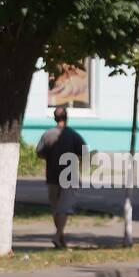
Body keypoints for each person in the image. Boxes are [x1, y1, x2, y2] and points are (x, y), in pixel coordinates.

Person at [35, 105, 87, 249]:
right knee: (63, 209)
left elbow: (39, 152)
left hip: (52, 176)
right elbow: (84, 152)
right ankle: (58, 236)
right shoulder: (73, 135)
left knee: (56, 208)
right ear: (67, 118)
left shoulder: (47, 134)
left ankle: (60, 237)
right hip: (69, 176)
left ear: (54, 118)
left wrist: (50, 157)